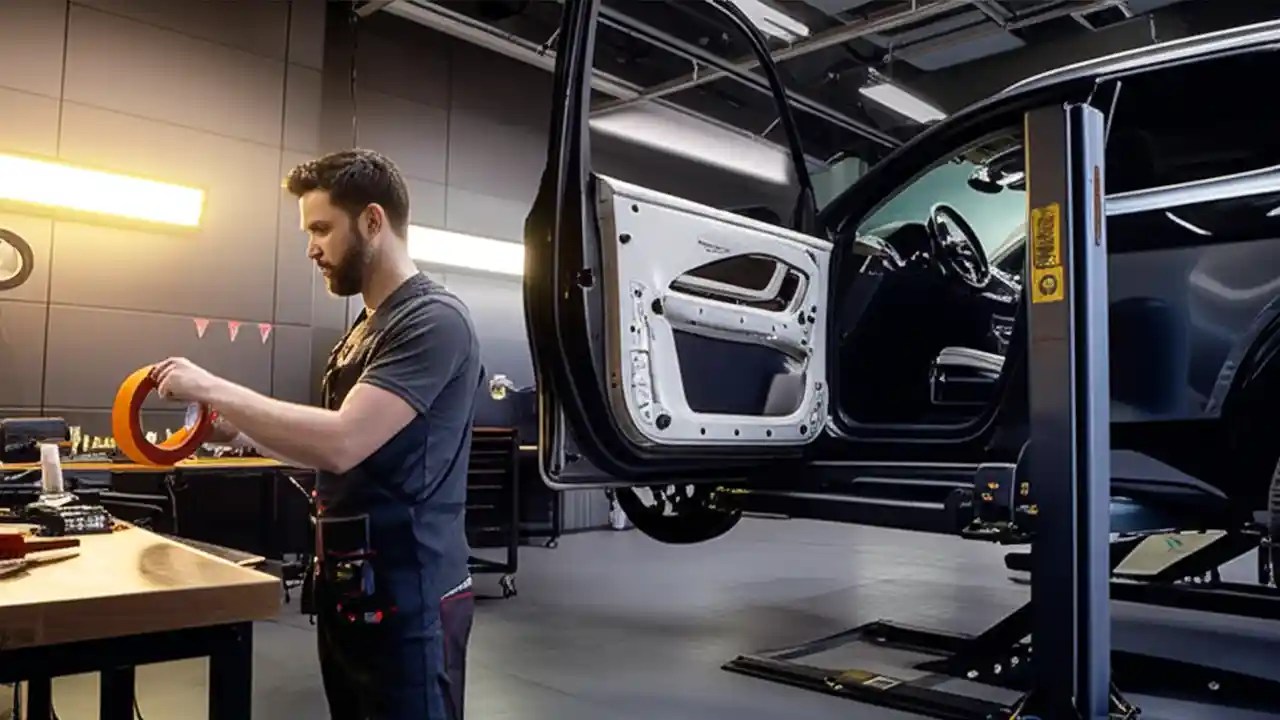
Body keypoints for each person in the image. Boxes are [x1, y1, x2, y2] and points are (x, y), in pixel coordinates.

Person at [148, 148, 481, 719]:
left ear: (372, 222)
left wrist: (213, 387)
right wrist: (236, 432)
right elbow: (331, 449)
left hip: (414, 594)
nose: (311, 249)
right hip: (352, 587)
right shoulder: (363, 331)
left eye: (322, 229)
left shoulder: (434, 321)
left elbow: (342, 441)